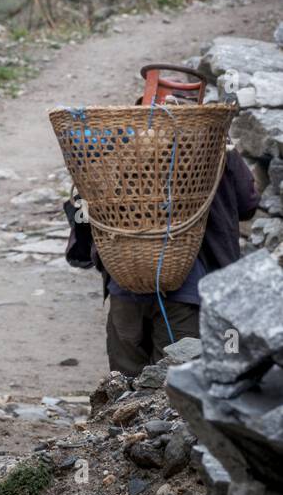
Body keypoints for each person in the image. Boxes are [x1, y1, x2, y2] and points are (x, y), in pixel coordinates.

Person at [65, 88, 258, 377]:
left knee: (125, 386)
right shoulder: (211, 144)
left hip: (124, 287)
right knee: (173, 390)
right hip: (187, 292)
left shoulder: (115, 147)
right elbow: (247, 204)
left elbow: (87, 208)